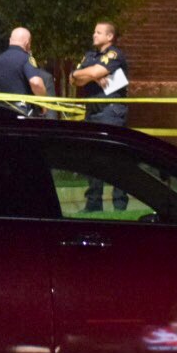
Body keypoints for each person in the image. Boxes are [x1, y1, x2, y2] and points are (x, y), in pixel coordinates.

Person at [72, 21, 129, 211]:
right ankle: (93, 203)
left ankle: (119, 205)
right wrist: (93, 76)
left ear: (109, 36)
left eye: (98, 32)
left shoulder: (115, 54)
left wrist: (88, 74)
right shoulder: (90, 55)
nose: (94, 35)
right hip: (92, 111)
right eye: (94, 32)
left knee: (114, 158)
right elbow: (74, 79)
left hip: (110, 110)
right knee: (92, 158)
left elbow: (91, 72)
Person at [0, 27, 47, 114]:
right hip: (22, 114)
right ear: (27, 43)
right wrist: (44, 104)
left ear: (10, 40)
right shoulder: (26, 59)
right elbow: (36, 83)